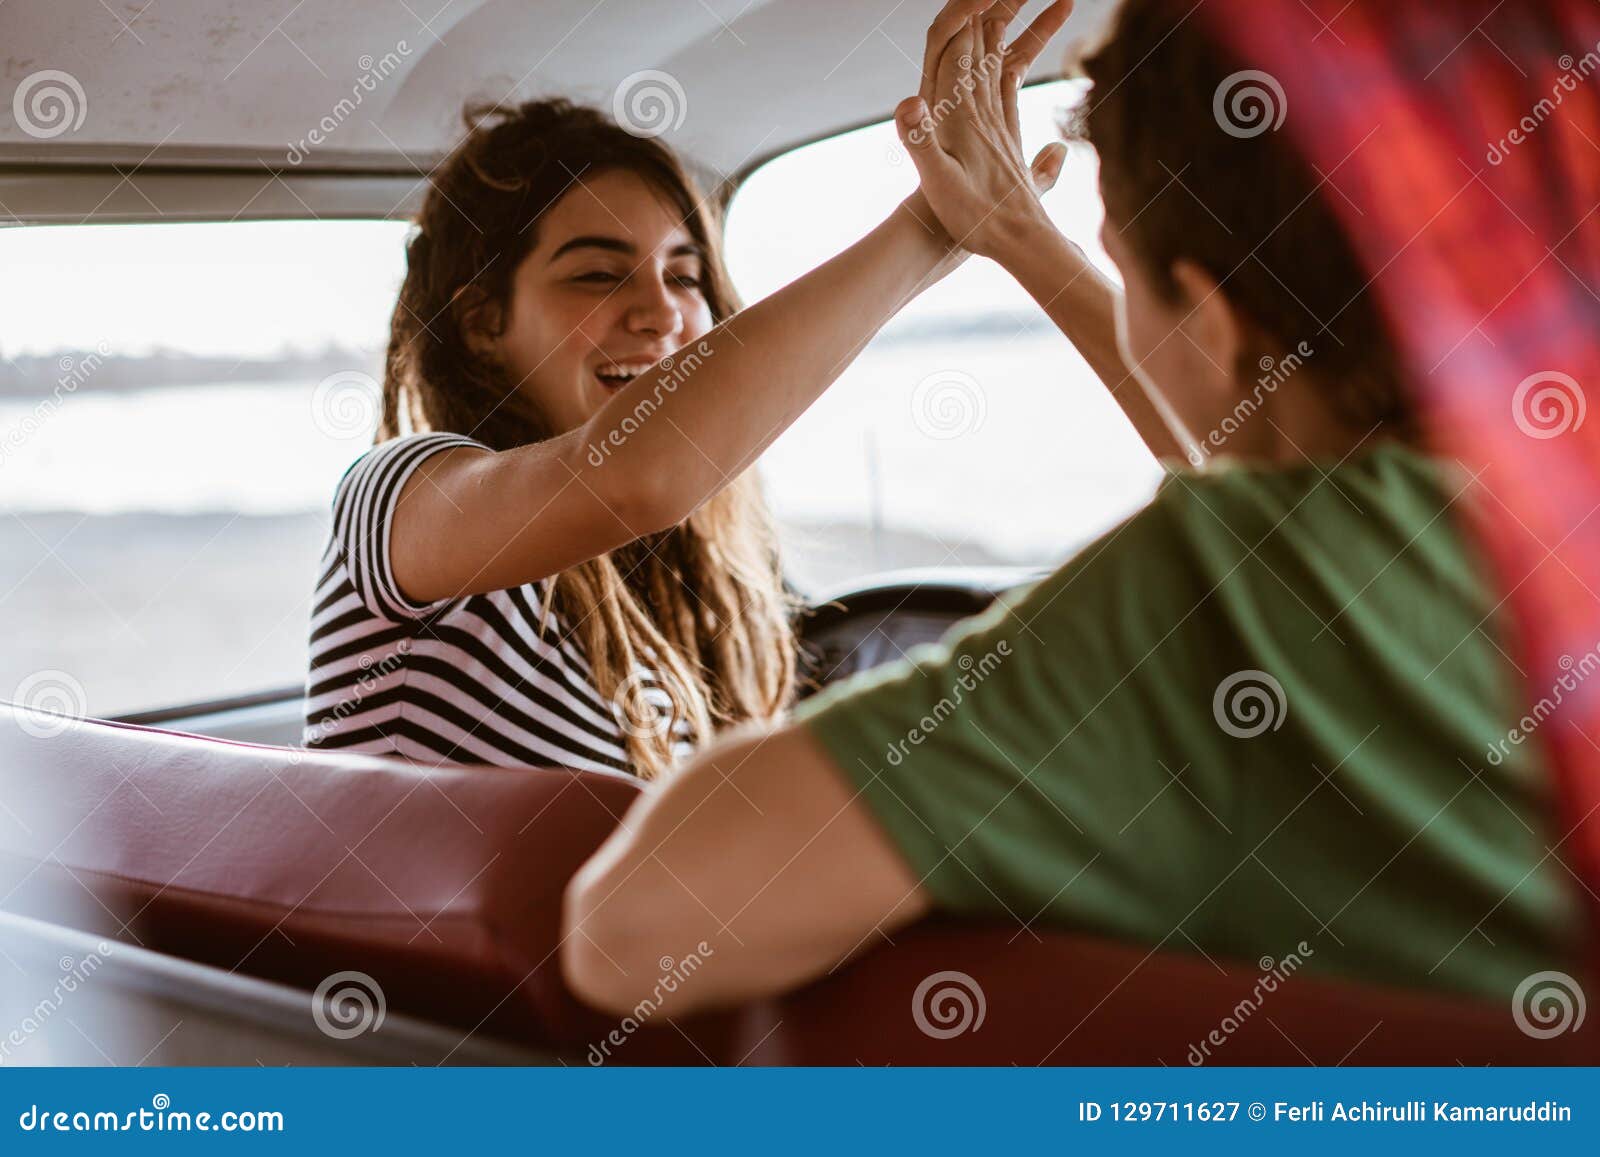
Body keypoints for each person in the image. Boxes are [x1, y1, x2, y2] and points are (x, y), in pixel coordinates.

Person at [561, 0, 1582, 1015]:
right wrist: (1017, 234)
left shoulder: (1230, 593)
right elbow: (1285, 455)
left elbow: (637, 927)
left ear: (1212, 318)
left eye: (1126, 269)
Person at [300, 28, 1063, 780]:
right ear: (482, 324)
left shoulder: (679, 602)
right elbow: (636, 476)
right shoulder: (395, 500)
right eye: (598, 275)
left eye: (686, 276)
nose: (662, 313)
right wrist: (931, 226)